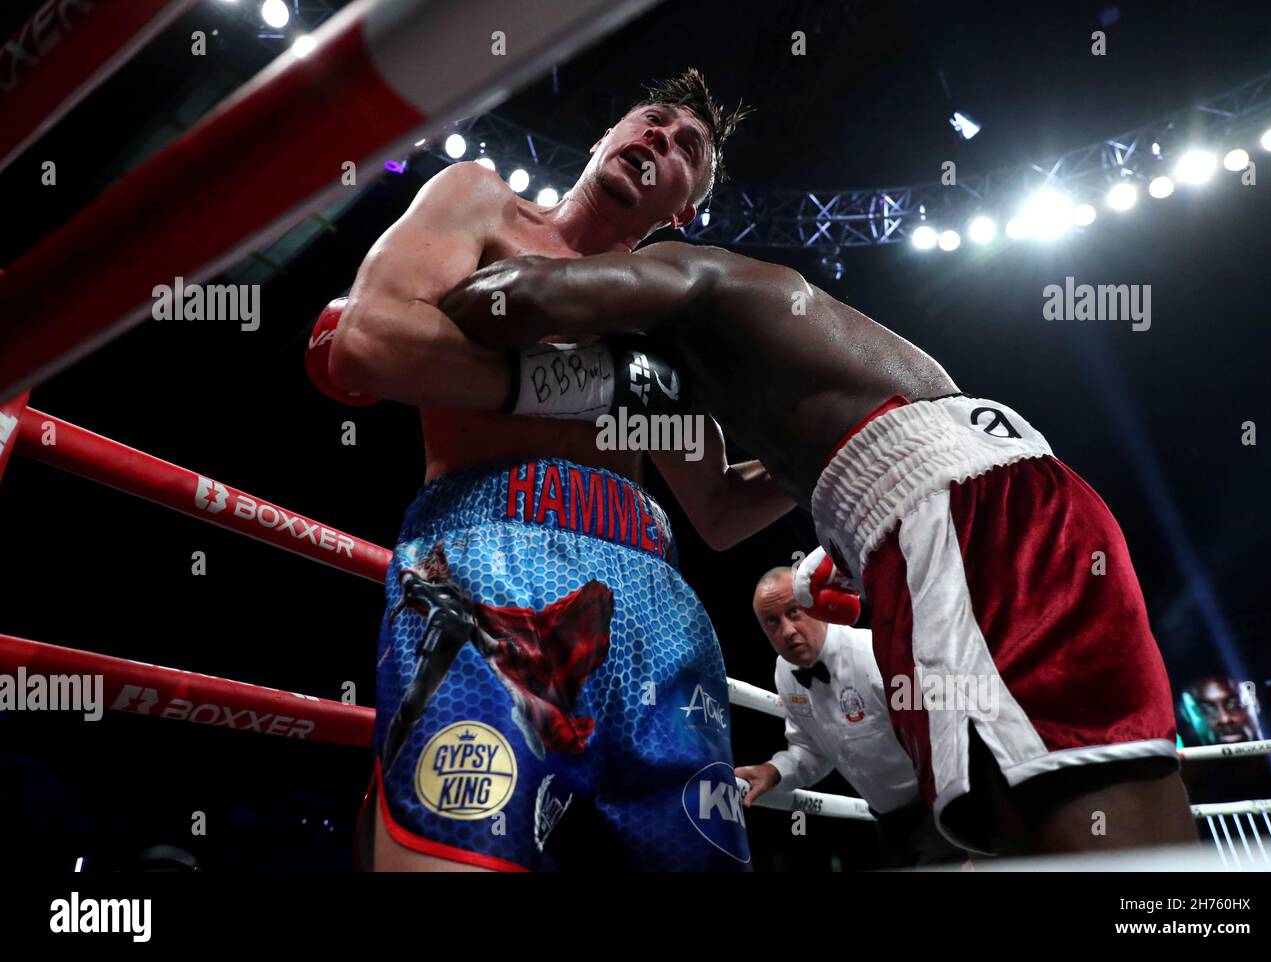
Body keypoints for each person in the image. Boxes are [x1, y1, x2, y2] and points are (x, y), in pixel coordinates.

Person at [435, 239, 1200, 857]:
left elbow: (512, 297)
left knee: (1066, 803)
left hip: (960, 510)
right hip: (945, 516)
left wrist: (463, 307)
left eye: (684, 144)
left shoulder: (706, 272)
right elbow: (724, 514)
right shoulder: (703, 375)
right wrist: (625, 387)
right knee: (1057, 793)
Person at [314, 71, 793, 871]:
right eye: (654, 121)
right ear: (610, 135)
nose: (661, 140)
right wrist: (585, 382)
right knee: (454, 852)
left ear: (684, 211)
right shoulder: (481, 203)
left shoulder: (664, 315)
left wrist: (855, 447)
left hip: (658, 602)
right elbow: (367, 343)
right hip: (490, 561)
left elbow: (715, 506)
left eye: (686, 149)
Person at [738, 566, 964, 867]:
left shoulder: (876, 654)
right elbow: (810, 750)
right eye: (772, 622)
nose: (788, 631)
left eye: (794, 611)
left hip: (938, 806)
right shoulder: (785, 673)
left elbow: (943, 725)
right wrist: (774, 771)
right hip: (889, 821)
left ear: (815, 606)